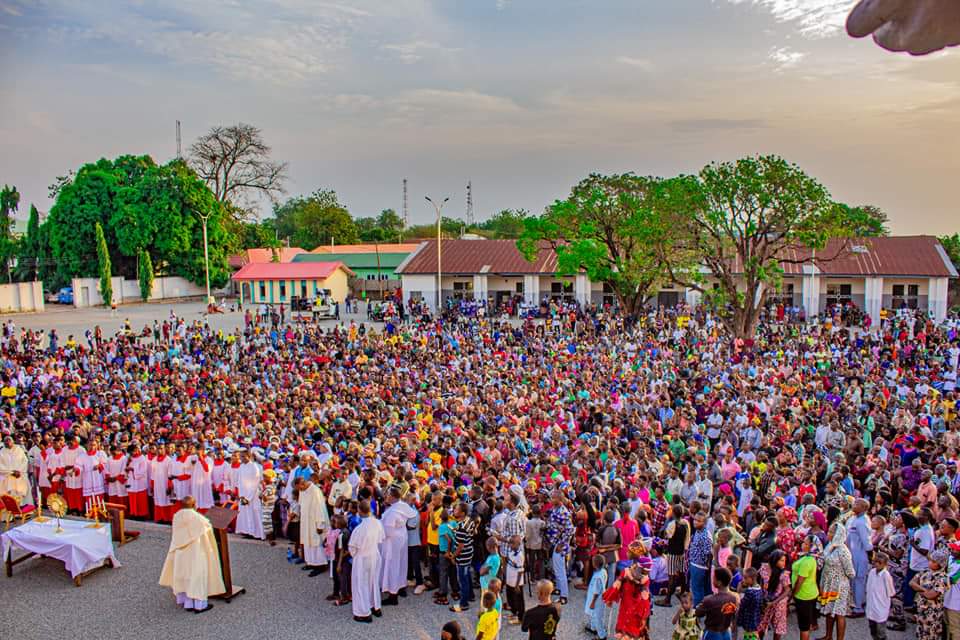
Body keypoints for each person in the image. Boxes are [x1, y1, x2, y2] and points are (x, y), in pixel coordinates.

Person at [158, 496, 224, 613]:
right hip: (196, 552)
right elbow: (206, 533)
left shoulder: (177, 516)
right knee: (197, 576)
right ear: (194, 505)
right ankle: (199, 605)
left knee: (184, 575)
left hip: (181, 552)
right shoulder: (199, 519)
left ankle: (187, 603)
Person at [818, 522, 856, 640]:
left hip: (839, 586)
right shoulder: (830, 546)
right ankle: (828, 636)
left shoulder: (843, 551)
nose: (828, 534)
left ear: (838, 534)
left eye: (831, 532)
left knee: (839, 614)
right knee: (829, 611)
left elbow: (851, 572)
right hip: (828, 585)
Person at [349, 499, 385, 623]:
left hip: (362, 557)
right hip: (374, 554)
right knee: (373, 581)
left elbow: (352, 547)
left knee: (361, 584)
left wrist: (356, 555)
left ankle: (363, 612)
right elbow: (381, 539)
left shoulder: (359, 529)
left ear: (360, 511)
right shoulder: (377, 523)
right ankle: (375, 606)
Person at [381, 486, 417, 605]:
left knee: (393, 565)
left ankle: (393, 594)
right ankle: (401, 587)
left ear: (392, 497)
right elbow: (412, 515)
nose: (386, 497)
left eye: (387, 495)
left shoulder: (392, 512)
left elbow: (388, 531)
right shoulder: (403, 505)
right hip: (402, 536)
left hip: (393, 540)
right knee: (402, 563)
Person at [910, 548, 950, 640]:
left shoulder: (943, 578)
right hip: (921, 611)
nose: (930, 562)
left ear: (940, 564)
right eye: (930, 560)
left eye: (934, 561)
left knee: (931, 635)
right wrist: (924, 590)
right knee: (920, 634)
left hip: (932, 615)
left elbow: (931, 595)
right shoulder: (925, 571)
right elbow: (911, 583)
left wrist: (918, 589)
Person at [298, 476, 330, 576]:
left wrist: (320, 525)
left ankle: (320, 565)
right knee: (308, 543)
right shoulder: (302, 490)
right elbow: (301, 504)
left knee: (316, 543)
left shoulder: (315, 491)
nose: (299, 490)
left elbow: (320, 508)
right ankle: (311, 562)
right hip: (306, 521)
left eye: (299, 488)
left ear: (303, 484)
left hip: (315, 522)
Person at [694, 567, 738, 640]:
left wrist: (700, 604)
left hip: (712, 634)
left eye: (714, 578)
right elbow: (734, 616)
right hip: (727, 632)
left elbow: (698, 613)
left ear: (719, 583)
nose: (712, 579)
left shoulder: (710, 600)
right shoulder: (734, 598)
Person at [793, 535, 822, 640]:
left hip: (803, 595)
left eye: (805, 543)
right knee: (806, 623)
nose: (802, 545)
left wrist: (794, 593)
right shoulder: (811, 557)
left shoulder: (807, 561)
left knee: (804, 626)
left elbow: (800, 581)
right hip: (810, 592)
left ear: (811, 546)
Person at [757, 551, 790, 640]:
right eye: (781, 560)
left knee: (778, 628)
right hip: (765, 601)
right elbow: (759, 581)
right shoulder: (764, 568)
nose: (784, 563)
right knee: (761, 625)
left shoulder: (784, 574)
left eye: (784, 561)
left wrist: (773, 602)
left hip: (779, 602)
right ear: (774, 560)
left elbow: (787, 591)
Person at [235, 450, 264, 540]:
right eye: (241, 456)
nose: (242, 458)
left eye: (244, 456)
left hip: (253, 495)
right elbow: (239, 481)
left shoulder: (254, 467)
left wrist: (248, 497)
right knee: (245, 513)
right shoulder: (241, 466)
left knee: (254, 513)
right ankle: (248, 531)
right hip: (243, 494)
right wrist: (241, 495)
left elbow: (255, 483)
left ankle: (257, 534)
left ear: (249, 456)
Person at [865, 552, 895, 640]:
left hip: (881, 606)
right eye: (875, 562)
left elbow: (891, 592)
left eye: (879, 562)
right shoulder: (871, 572)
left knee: (881, 631)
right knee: (872, 628)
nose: (876, 564)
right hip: (871, 605)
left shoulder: (886, 576)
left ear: (885, 564)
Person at [736, 567, 763, 640]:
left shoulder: (750, 592)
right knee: (753, 634)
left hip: (749, 619)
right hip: (755, 617)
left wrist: (738, 592)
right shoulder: (759, 588)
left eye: (745, 578)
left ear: (752, 579)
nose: (743, 580)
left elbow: (742, 605)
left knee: (749, 635)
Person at [0, 435, 29, 503]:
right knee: (8, 497)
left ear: (13, 441)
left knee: (19, 494)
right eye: (5, 441)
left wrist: (19, 471)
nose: (7, 442)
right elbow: (0, 465)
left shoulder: (19, 449)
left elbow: (25, 461)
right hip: (7, 477)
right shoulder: (1, 452)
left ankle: (21, 509)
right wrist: (12, 472)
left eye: (9, 440)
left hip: (19, 475)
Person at [584, 554, 607, 639]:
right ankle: (593, 628)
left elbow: (596, 592)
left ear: (595, 564)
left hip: (597, 600)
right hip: (598, 598)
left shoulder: (597, 577)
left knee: (597, 618)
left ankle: (602, 635)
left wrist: (592, 602)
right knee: (593, 615)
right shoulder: (603, 571)